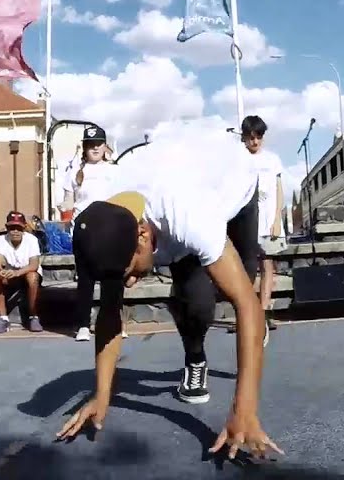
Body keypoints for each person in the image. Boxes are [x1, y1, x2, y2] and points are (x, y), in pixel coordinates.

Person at [55, 131, 279, 461]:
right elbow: (109, 312)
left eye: (129, 270)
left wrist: (244, 410)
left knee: (242, 291)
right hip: (177, 190)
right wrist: (102, 394)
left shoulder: (189, 216)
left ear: (143, 236)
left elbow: (247, 306)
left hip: (234, 187)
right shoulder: (106, 221)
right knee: (197, 304)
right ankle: (195, 356)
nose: (128, 283)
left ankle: (246, 354)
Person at [61, 124, 119, 342]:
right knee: (85, 280)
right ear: (84, 147)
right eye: (91, 145)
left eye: (99, 144)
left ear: (105, 147)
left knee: (112, 280)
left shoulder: (114, 170)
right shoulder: (74, 171)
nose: (95, 148)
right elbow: (69, 200)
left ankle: (113, 323)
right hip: (83, 229)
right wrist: (64, 210)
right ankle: (83, 324)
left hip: (110, 228)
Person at [240, 115, 284, 329]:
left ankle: (264, 311)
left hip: (268, 220)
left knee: (267, 266)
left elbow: (279, 190)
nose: (254, 142)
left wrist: (277, 219)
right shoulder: (239, 160)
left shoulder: (272, 159)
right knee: (247, 268)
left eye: (258, 137)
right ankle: (246, 313)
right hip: (246, 222)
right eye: (250, 138)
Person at [0, 210, 43, 333]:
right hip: (11, 276)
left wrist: (17, 273)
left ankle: (33, 316)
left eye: (18, 228)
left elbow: (34, 265)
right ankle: (3, 318)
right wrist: (0, 271)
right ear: (7, 228)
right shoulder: (2, 239)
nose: (15, 231)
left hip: (26, 274)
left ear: (24, 228)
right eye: (12, 228)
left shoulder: (32, 240)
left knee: (32, 276)